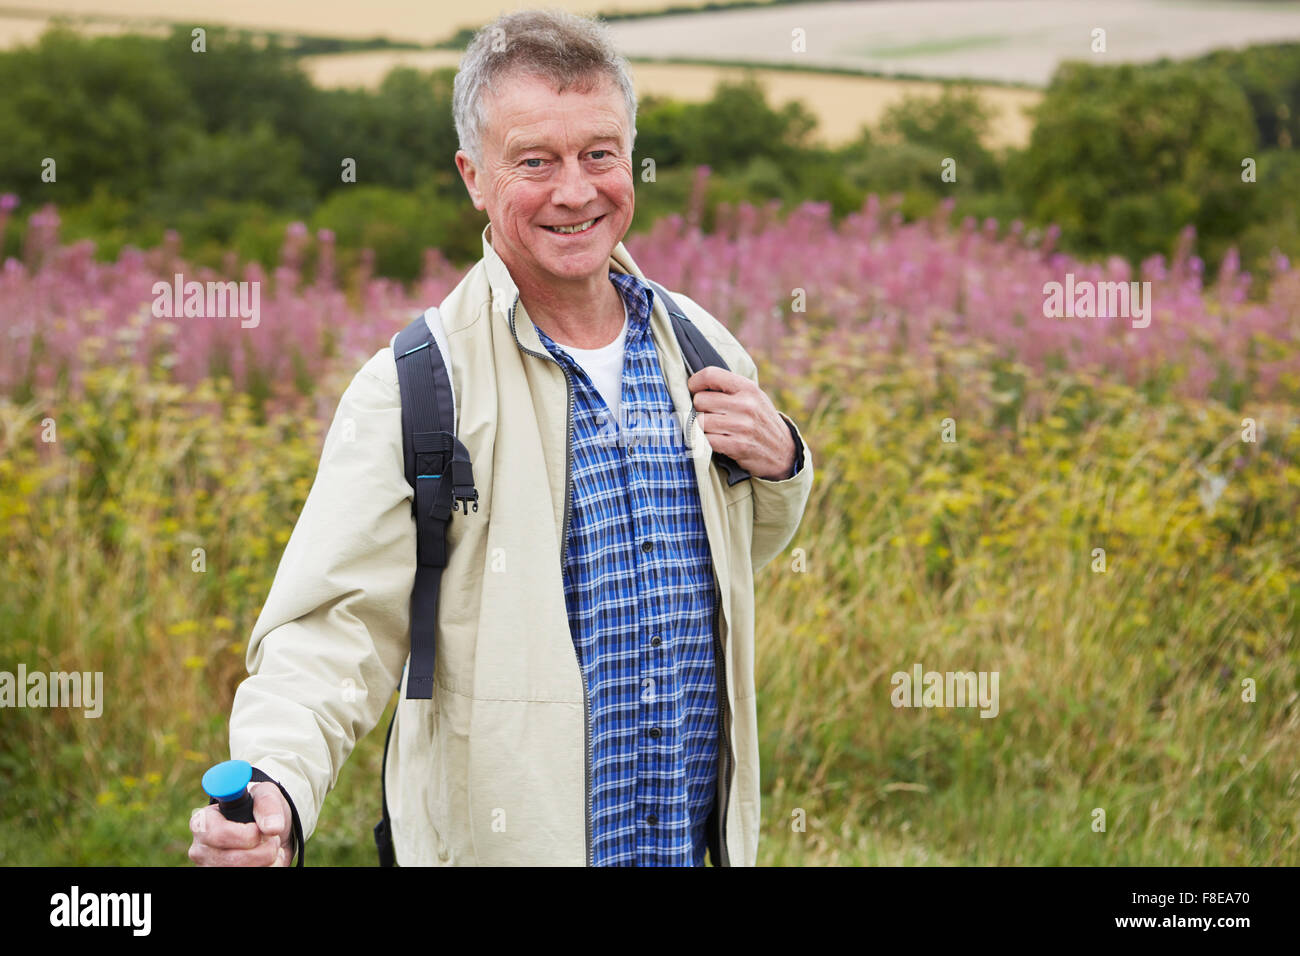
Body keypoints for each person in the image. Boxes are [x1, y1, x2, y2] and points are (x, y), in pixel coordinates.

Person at [187, 8, 813, 867]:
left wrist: (783, 462)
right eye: (535, 161)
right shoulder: (417, 386)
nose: (575, 190)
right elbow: (336, 626)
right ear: (473, 176)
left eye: (600, 153)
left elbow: (738, 547)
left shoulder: (700, 344)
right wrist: (276, 781)